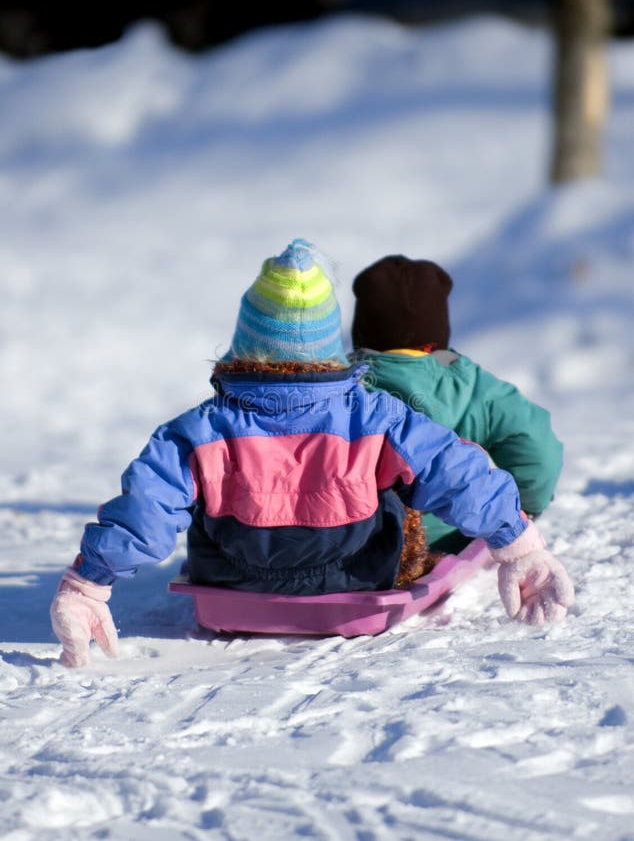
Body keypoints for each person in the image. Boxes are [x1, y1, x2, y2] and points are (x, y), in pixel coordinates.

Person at [50, 241, 574, 667]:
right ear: (329, 343)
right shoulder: (375, 418)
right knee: (399, 492)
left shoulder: (201, 429)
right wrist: (519, 545)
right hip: (360, 582)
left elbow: (145, 507)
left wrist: (88, 583)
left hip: (230, 587)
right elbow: (456, 473)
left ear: (243, 340)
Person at [351, 254, 564, 553]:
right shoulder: (473, 388)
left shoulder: (342, 385)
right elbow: (536, 445)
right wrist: (521, 508)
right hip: (440, 539)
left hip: (351, 541)